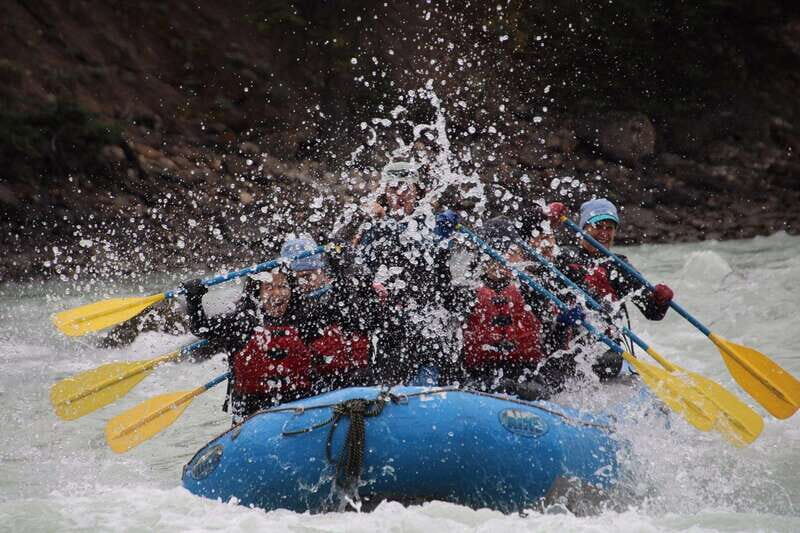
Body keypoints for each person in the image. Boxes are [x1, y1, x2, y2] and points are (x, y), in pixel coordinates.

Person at [353, 161, 460, 385]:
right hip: (388, 321)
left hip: (426, 320)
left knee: (428, 377)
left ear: (417, 191)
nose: (399, 193)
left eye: (405, 187)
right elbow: (354, 263)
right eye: (393, 188)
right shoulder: (374, 226)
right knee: (386, 381)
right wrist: (365, 221)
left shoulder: (432, 223)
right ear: (385, 193)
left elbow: (439, 263)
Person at [455, 217, 583, 399]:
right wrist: (442, 249)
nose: (502, 259)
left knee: (528, 388)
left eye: (509, 251)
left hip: (526, 376)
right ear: (482, 257)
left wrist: (563, 325)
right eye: (495, 252)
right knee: (487, 387)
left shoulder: (533, 291)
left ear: (520, 255)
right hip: (478, 376)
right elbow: (437, 283)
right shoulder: (466, 293)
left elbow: (553, 348)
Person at [548, 198, 674, 382]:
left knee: (610, 360)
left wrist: (661, 300)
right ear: (584, 228)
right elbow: (535, 257)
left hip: (607, 347)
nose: (604, 233)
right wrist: (548, 223)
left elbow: (652, 313)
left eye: (610, 228)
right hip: (566, 339)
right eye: (598, 226)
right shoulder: (563, 256)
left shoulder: (620, 265)